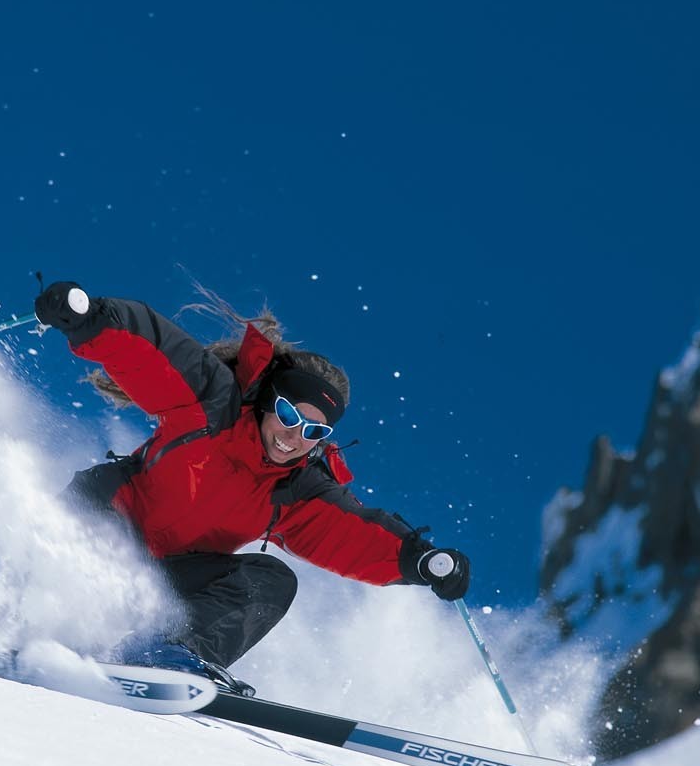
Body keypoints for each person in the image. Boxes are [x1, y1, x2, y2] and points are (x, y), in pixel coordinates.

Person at [34, 280, 472, 696]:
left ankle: (165, 656)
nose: (294, 435)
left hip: (160, 578)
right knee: (87, 523)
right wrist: (93, 319)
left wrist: (420, 561)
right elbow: (153, 350)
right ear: (266, 403)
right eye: (289, 415)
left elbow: (353, 534)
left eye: (314, 431)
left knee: (272, 580)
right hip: (98, 528)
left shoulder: (297, 489)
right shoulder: (212, 405)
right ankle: (9, 590)